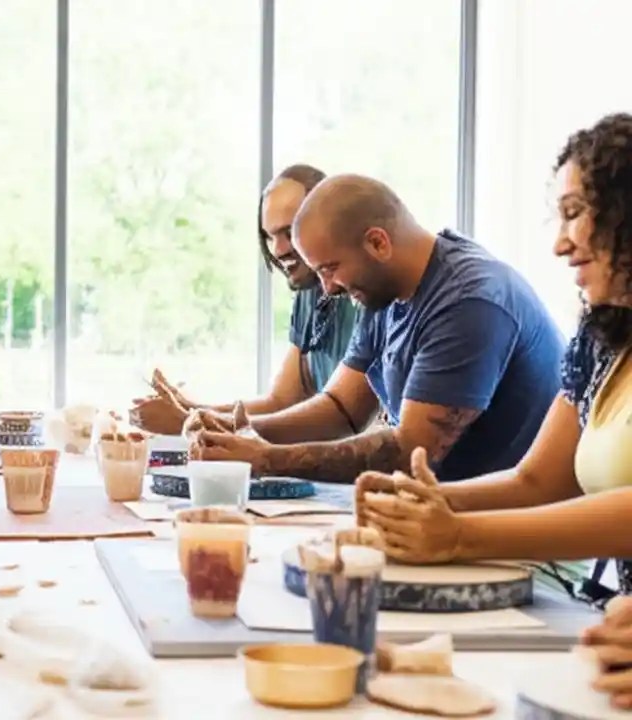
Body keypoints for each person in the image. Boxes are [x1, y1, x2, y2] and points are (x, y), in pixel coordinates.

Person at [355, 113, 632, 580]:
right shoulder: (600, 339)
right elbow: (538, 481)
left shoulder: (475, 294)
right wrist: (421, 501)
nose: (560, 246)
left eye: (574, 213)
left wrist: (459, 535)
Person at [190, 174, 565, 483]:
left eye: (330, 268)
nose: (328, 288)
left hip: (516, 544)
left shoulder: (470, 301)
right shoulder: (382, 290)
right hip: (442, 518)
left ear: (377, 243)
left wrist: (268, 459)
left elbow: (410, 453)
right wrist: (239, 430)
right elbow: (341, 409)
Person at [130, 164, 360, 436]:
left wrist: (190, 421)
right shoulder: (309, 293)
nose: (278, 249)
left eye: (290, 233)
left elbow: (343, 418)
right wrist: (193, 409)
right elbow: (281, 401)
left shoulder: (365, 294)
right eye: (269, 236)